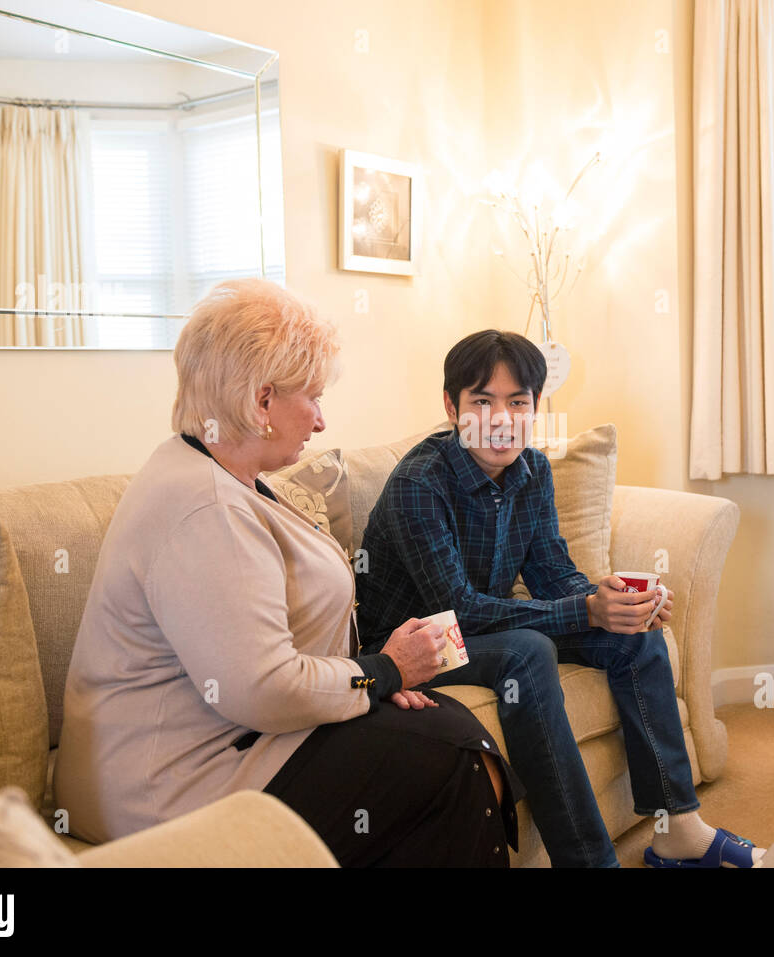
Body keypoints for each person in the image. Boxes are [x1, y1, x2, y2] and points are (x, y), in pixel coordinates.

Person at [54, 281, 521, 867]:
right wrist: (381, 672)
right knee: (449, 761)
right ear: (261, 402)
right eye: (314, 398)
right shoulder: (207, 510)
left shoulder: (223, 473)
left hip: (236, 739)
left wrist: (375, 687)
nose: (322, 421)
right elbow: (262, 689)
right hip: (174, 784)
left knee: (449, 730)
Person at [355, 329, 763, 868]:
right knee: (527, 649)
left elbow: (552, 575)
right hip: (413, 647)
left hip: (481, 630)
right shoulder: (419, 482)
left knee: (633, 639)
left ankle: (678, 832)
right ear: (451, 406)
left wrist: (610, 600)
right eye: (482, 401)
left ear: (536, 407)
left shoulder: (533, 471)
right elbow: (457, 608)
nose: (501, 419)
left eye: (517, 402)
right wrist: (585, 609)